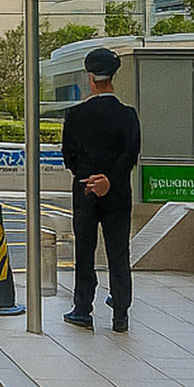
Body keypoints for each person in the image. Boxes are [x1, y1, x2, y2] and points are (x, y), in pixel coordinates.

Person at [61, 47, 142, 333]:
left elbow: (68, 156)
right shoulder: (127, 115)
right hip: (117, 193)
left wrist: (89, 178)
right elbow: (131, 153)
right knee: (118, 251)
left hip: (84, 191)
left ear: (90, 78)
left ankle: (83, 308)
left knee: (85, 250)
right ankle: (120, 313)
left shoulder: (75, 115)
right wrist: (109, 180)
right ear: (112, 77)